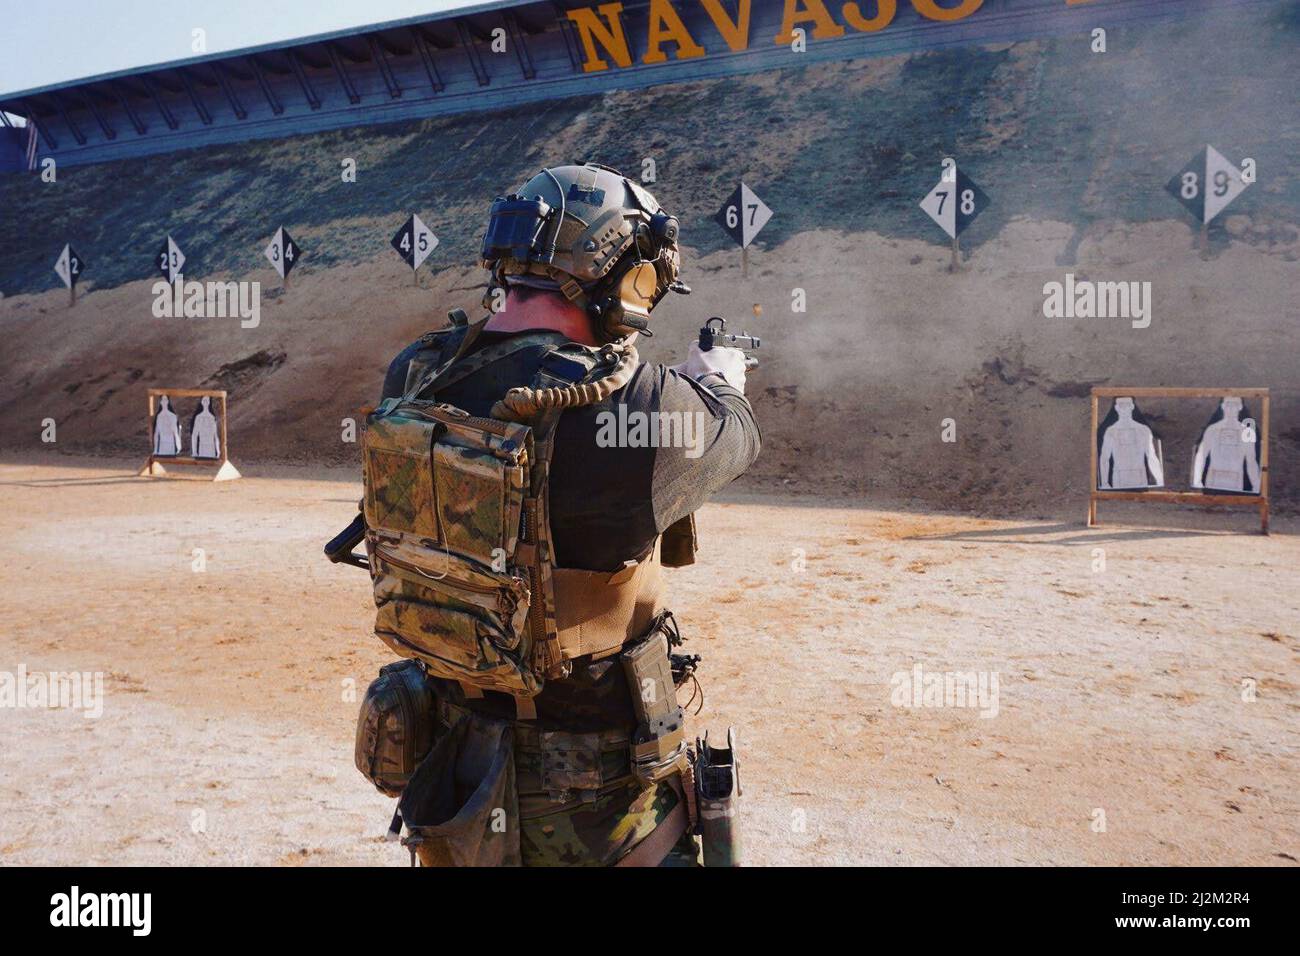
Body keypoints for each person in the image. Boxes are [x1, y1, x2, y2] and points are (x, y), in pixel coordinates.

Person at [367, 163, 760, 866]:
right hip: (604, 809)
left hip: (458, 784)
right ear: (620, 275)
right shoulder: (632, 403)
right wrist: (720, 380)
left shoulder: (416, 372)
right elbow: (737, 435)